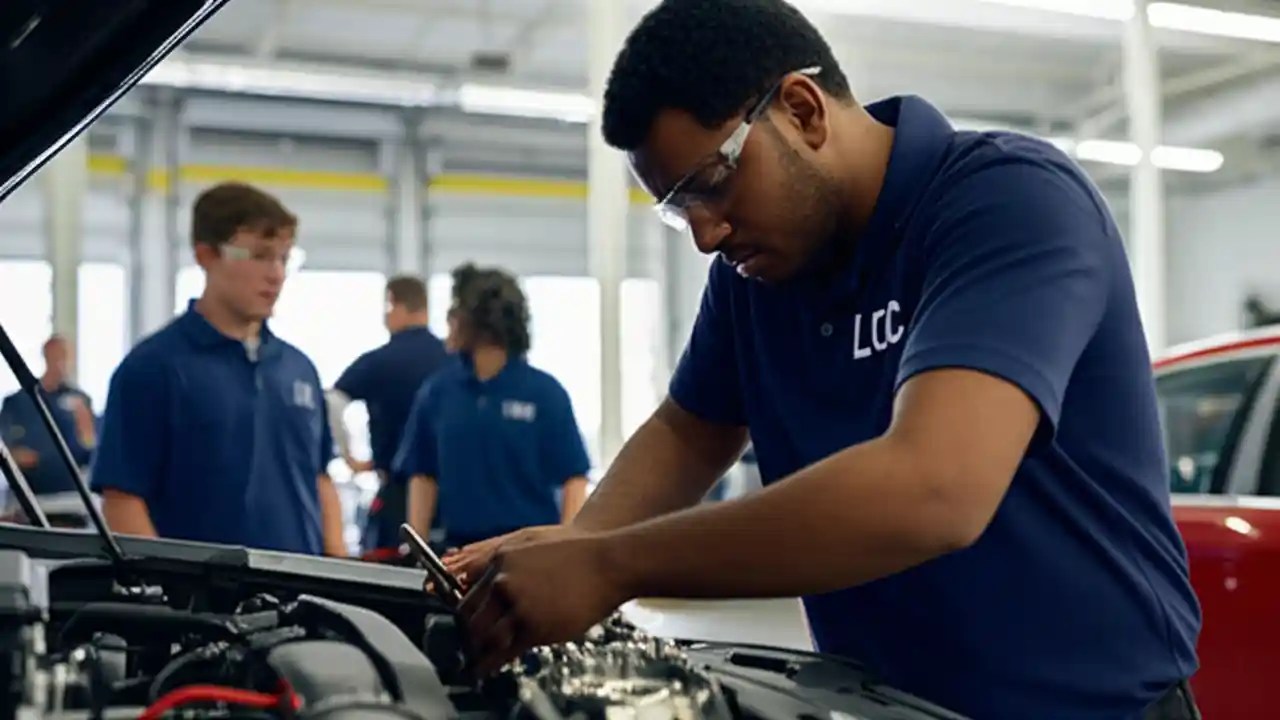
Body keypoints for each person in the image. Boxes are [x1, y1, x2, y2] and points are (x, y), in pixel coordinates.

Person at [442, 2, 1203, 718]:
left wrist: (611, 565)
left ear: (802, 111)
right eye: (680, 210)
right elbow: (689, 429)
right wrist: (572, 547)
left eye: (711, 183)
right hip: (884, 702)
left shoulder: (1006, 203)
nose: (707, 235)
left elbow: (934, 488)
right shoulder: (753, 280)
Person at [90, 182, 345, 557]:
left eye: (284, 258)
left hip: (300, 598)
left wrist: (339, 568)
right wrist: (162, 597)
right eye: (259, 256)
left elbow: (319, 478)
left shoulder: (298, 369)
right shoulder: (153, 369)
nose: (276, 274)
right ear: (206, 255)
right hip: (200, 607)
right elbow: (123, 498)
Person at [394, 263, 590, 550]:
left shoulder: (545, 394)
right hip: (459, 551)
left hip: (527, 553)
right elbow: (423, 474)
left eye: (455, 312)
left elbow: (573, 478)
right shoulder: (438, 392)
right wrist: (416, 547)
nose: (448, 321)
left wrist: (564, 548)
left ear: (481, 321)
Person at [326, 275, 449, 559]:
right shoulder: (452, 361)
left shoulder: (380, 361)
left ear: (393, 304)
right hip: (454, 497)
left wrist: (351, 459)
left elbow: (333, 403)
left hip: (398, 497)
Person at [0, 335, 97, 496]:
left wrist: (88, 434)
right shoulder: (18, 402)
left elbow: (89, 452)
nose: (62, 363)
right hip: (27, 496)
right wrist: (18, 456)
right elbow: (9, 451)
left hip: (70, 496)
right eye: (57, 356)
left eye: (66, 356)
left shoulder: (81, 401)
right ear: (46, 356)